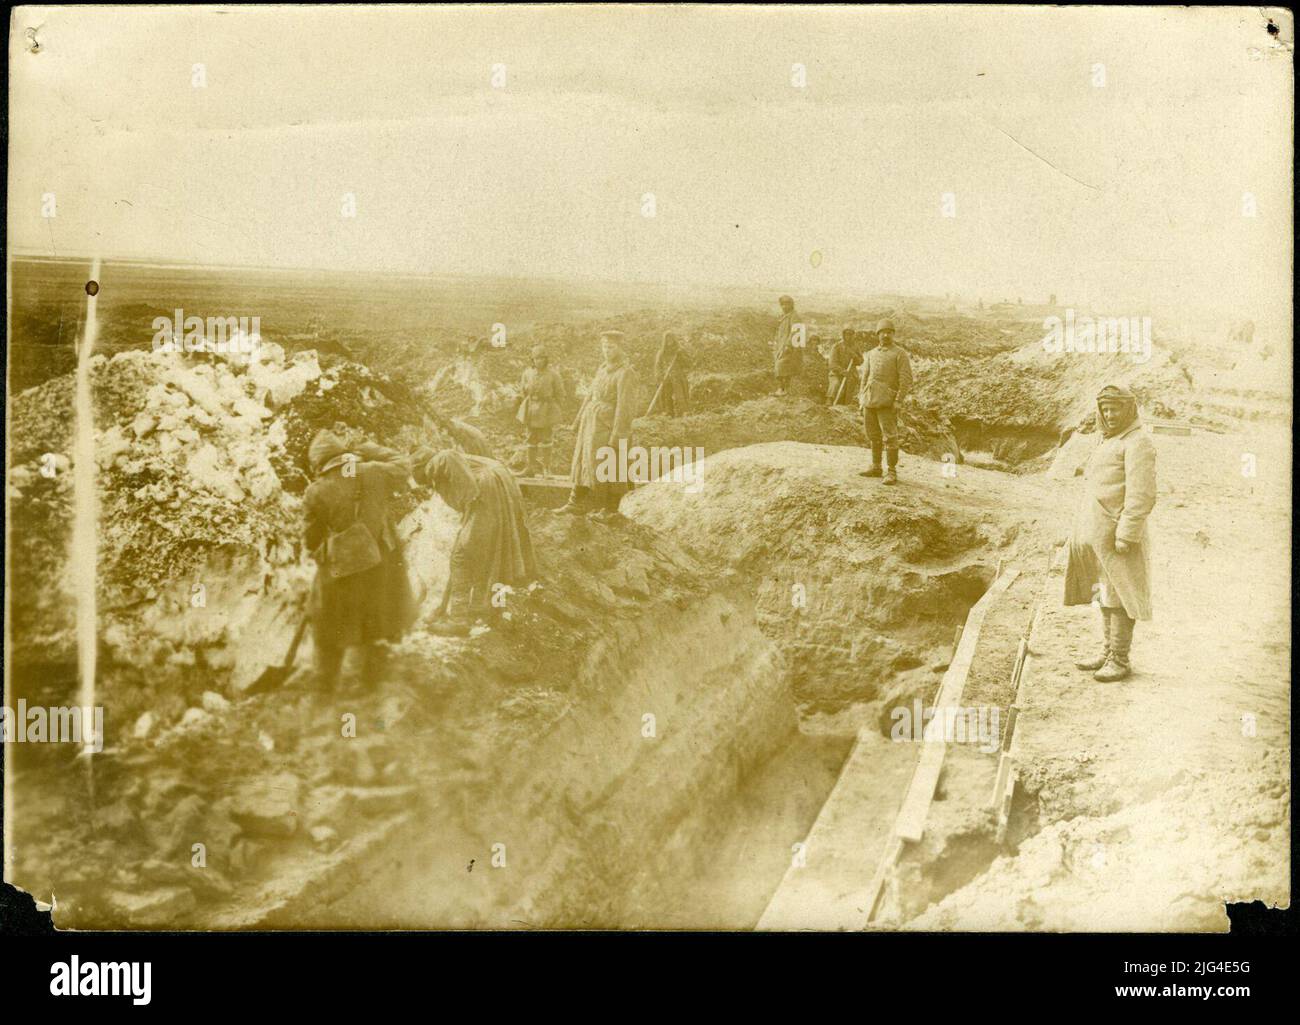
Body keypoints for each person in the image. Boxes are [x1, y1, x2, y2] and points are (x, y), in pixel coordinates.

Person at [302, 430, 417, 690]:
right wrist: (366, 446)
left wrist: (329, 550)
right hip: (382, 560)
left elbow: (311, 539)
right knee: (376, 617)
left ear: (320, 464)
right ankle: (368, 683)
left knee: (331, 620)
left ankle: (325, 684)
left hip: (344, 565)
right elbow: (404, 463)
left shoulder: (316, 491)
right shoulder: (374, 471)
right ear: (344, 456)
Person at [1063, 385, 1157, 682]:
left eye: (1115, 408)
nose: (1109, 414)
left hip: (1119, 538)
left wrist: (1127, 534)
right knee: (1105, 594)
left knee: (1121, 595)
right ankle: (1107, 651)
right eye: (1105, 408)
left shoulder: (1138, 442)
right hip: (1099, 537)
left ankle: (1120, 658)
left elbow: (1141, 495)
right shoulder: (1107, 441)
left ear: (1128, 409)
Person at [418, 449, 537, 636]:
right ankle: (473, 611)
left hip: (485, 498)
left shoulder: (438, 461)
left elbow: (448, 459)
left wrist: (470, 500)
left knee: (461, 558)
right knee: (485, 557)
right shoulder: (472, 462)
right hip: (498, 493)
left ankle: (458, 620)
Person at [560, 330, 639, 518]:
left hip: (608, 426)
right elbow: (589, 396)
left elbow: (625, 407)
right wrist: (577, 421)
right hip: (591, 425)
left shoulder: (625, 373)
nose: (607, 351)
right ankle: (575, 502)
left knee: (609, 465)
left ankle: (611, 508)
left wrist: (618, 435)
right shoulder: (602, 369)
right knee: (583, 461)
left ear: (620, 348)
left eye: (611, 347)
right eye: (604, 347)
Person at [858, 318, 913, 484]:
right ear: (878, 334)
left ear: (893, 334)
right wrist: (861, 399)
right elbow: (864, 377)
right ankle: (876, 467)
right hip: (870, 401)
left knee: (890, 437)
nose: (886, 335)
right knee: (873, 435)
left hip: (887, 402)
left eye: (889, 332)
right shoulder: (871, 354)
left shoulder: (900, 354)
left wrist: (898, 400)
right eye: (882, 332)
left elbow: (906, 379)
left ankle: (891, 471)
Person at [515, 346, 565, 475]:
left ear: (546, 359)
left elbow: (560, 394)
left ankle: (546, 469)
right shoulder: (527, 373)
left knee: (546, 439)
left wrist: (555, 410)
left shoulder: (553, 375)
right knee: (530, 438)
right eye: (536, 358)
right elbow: (522, 391)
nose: (539, 361)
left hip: (546, 409)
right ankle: (530, 468)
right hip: (531, 408)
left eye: (542, 358)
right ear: (532, 360)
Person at [652, 332, 692, 416]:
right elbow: (658, 365)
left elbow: (688, 363)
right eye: (667, 339)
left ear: (674, 339)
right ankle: (668, 412)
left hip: (678, 376)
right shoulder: (661, 352)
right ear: (664, 341)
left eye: (671, 339)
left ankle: (683, 411)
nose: (669, 341)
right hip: (666, 377)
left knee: (680, 394)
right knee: (667, 395)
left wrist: (681, 355)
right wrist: (659, 375)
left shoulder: (679, 351)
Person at [772, 295, 803, 396]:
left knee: (782, 366)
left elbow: (796, 332)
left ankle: (783, 389)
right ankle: (783, 389)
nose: (785, 306)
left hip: (790, 348)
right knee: (781, 367)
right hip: (781, 346)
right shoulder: (784, 317)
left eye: (787, 304)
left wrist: (789, 346)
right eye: (783, 304)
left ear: (791, 305)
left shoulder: (795, 316)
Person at [826, 327, 864, 405]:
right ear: (844, 335)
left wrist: (855, 357)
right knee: (835, 384)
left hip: (851, 373)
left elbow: (861, 361)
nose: (849, 336)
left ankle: (847, 405)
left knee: (851, 388)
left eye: (851, 334)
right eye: (847, 334)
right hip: (836, 373)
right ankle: (829, 401)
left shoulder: (856, 347)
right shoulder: (837, 346)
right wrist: (842, 371)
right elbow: (832, 364)